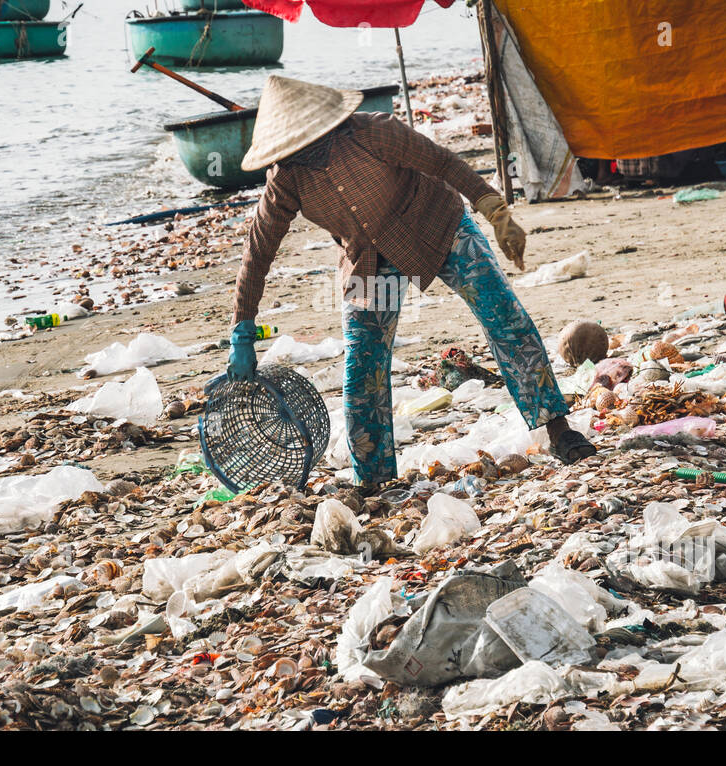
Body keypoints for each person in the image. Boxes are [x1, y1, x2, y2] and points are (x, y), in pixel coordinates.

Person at [227, 76, 596, 493]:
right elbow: (257, 253)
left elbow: (443, 163)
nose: (305, 152)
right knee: (363, 367)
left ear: (326, 124)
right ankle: (374, 480)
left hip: (438, 226)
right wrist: (242, 328)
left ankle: (559, 430)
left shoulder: (375, 131)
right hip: (370, 260)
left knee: (504, 316)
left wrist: (493, 208)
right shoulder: (285, 180)